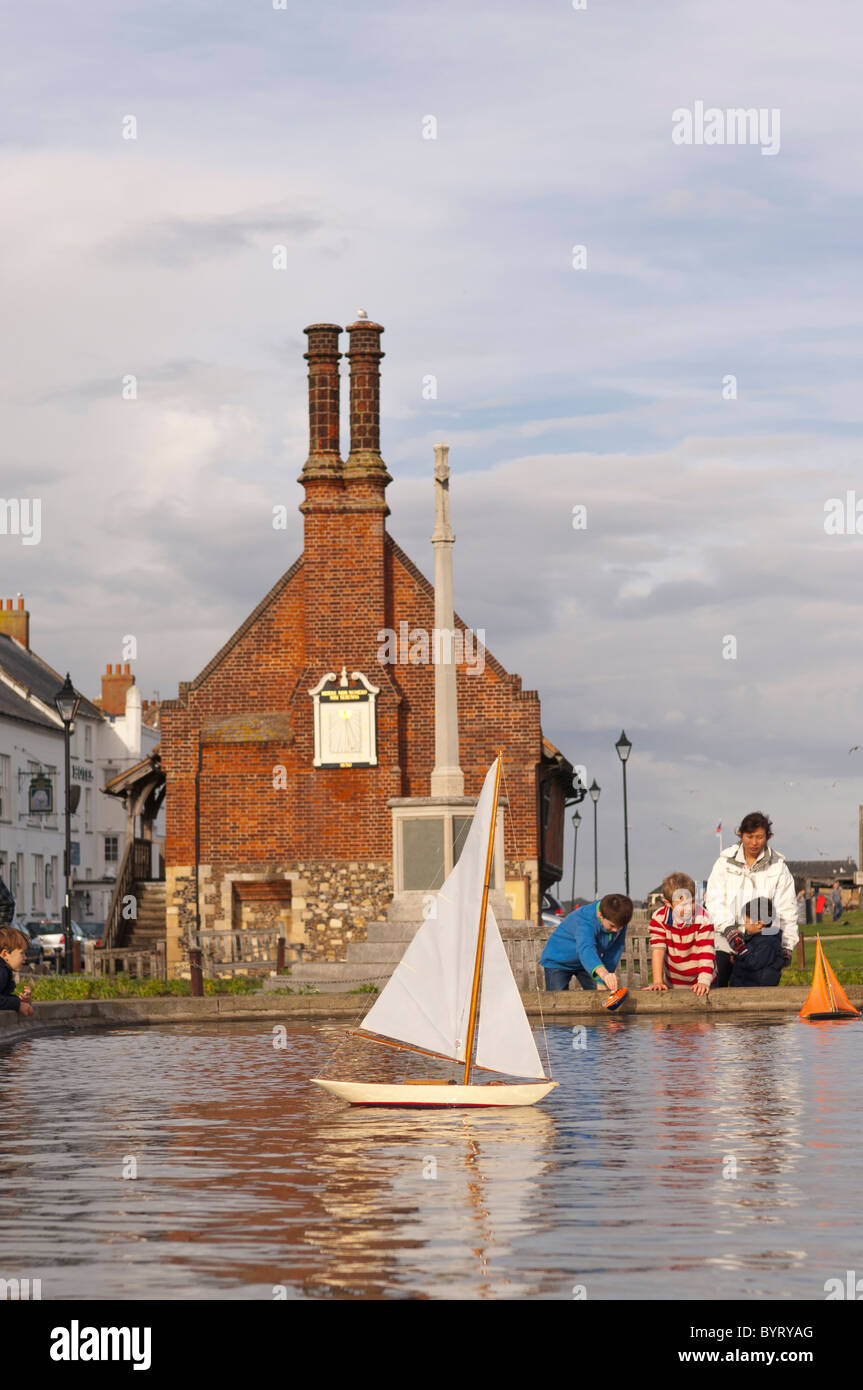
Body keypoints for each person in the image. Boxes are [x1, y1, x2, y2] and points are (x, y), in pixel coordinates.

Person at [705, 811, 797, 988]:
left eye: (759, 837)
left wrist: (786, 946)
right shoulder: (724, 863)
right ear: (740, 834)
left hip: (763, 943)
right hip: (726, 941)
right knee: (718, 989)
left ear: (768, 837)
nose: (754, 842)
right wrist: (731, 930)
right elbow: (715, 902)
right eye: (749, 836)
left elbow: (787, 909)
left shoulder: (778, 867)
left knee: (758, 996)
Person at [540, 893, 633, 991]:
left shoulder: (618, 919)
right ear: (600, 915)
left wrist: (603, 980)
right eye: (612, 926)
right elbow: (586, 949)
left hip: (587, 963)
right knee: (557, 1001)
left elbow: (614, 951)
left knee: (602, 995)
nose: (616, 930)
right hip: (558, 961)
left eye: (620, 927)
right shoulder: (585, 919)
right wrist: (603, 974)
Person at [645, 872, 714, 996]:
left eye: (691, 902)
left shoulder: (702, 918)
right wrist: (657, 982)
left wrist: (703, 981)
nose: (688, 908)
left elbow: (706, 952)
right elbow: (658, 950)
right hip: (673, 982)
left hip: (703, 979)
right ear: (668, 904)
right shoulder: (660, 918)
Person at [728, 897, 784, 987]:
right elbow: (749, 956)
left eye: (746, 922)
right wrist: (736, 958)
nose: (744, 926)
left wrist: (740, 948)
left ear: (759, 923)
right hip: (745, 985)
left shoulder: (768, 943)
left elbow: (753, 962)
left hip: (757, 989)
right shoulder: (754, 938)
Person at [0, 926, 35, 1016]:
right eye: (22, 953)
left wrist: (20, 1001)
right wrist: (18, 1004)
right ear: (5, 954)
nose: (25, 958)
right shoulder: (2, 971)